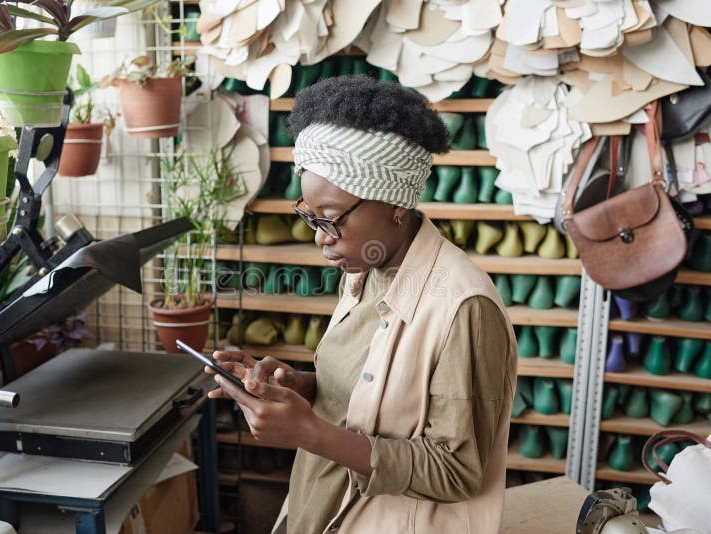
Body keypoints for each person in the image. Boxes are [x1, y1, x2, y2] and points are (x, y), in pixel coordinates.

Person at [207, 76, 518, 533]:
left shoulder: (464, 309)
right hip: (319, 506)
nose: (318, 237)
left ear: (395, 204)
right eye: (309, 216)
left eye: (330, 220)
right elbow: (373, 393)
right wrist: (301, 387)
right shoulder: (366, 271)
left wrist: (309, 432)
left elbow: (458, 470)